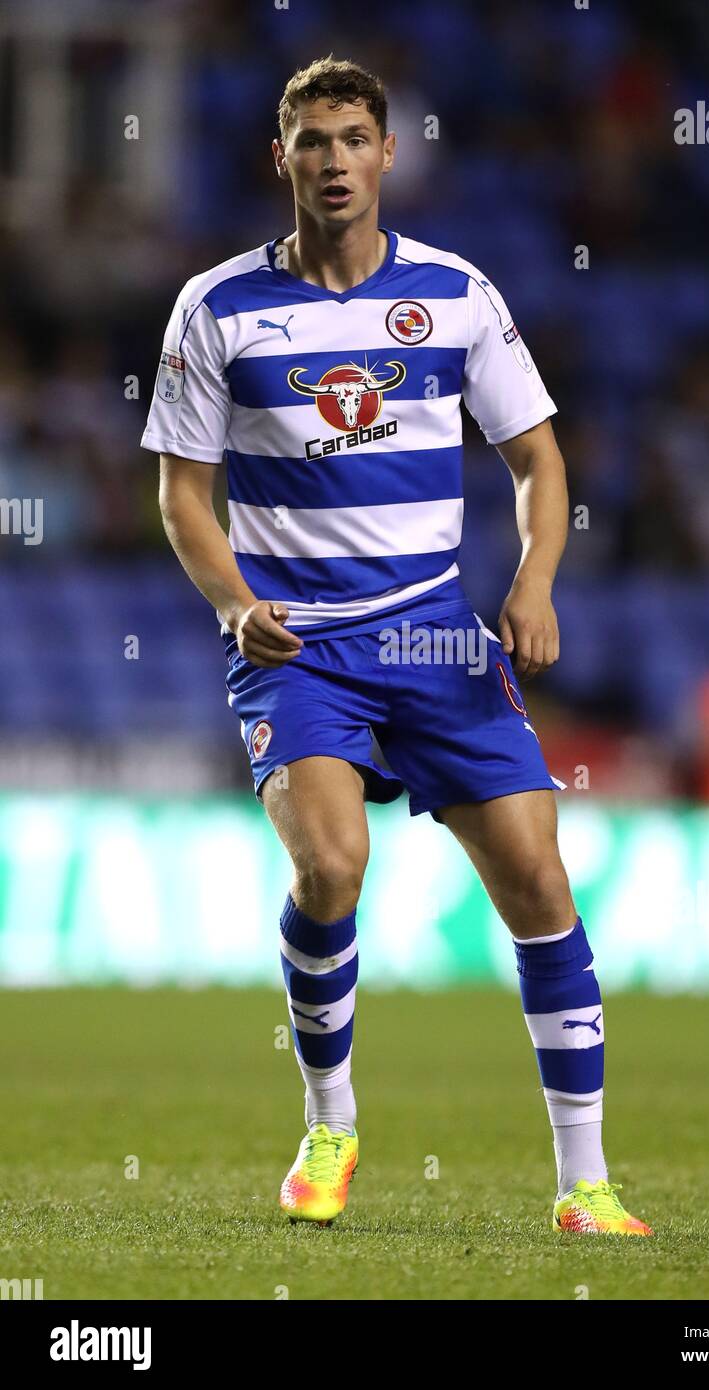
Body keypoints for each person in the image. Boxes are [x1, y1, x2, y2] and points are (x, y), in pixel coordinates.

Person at [141, 55, 651, 1238]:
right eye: (311, 141)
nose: (333, 161)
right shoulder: (214, 308)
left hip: (433, 635)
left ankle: (583, 1184)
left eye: (354, 139)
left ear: (386, 153)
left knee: (537, 878)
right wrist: (231, 602)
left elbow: (538, 459)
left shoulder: (457, 295)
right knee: (329, 866)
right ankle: (330, 1121)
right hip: (298, 644)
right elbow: (181, 496)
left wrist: (531, 579)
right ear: (281, 159)